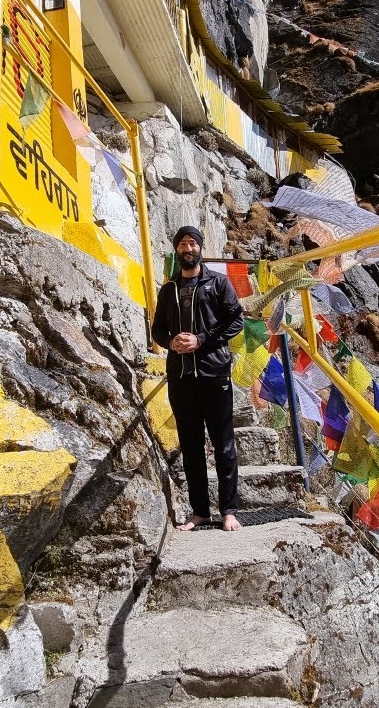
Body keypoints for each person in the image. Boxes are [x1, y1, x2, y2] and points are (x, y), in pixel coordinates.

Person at [151, 226, 246, 531]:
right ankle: (200, 511)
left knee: (224, 444)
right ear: (176, 251)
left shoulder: (218, 283)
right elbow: (158, 330)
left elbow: (236, 321)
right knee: (191, 446)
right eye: (182, 244)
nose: (187, 248)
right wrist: (171, 342)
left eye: (192, 243)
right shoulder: (168, 290)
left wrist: (202, 340)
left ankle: (229, 510)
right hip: (181, 377)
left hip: (213, 372)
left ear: (200, 248)